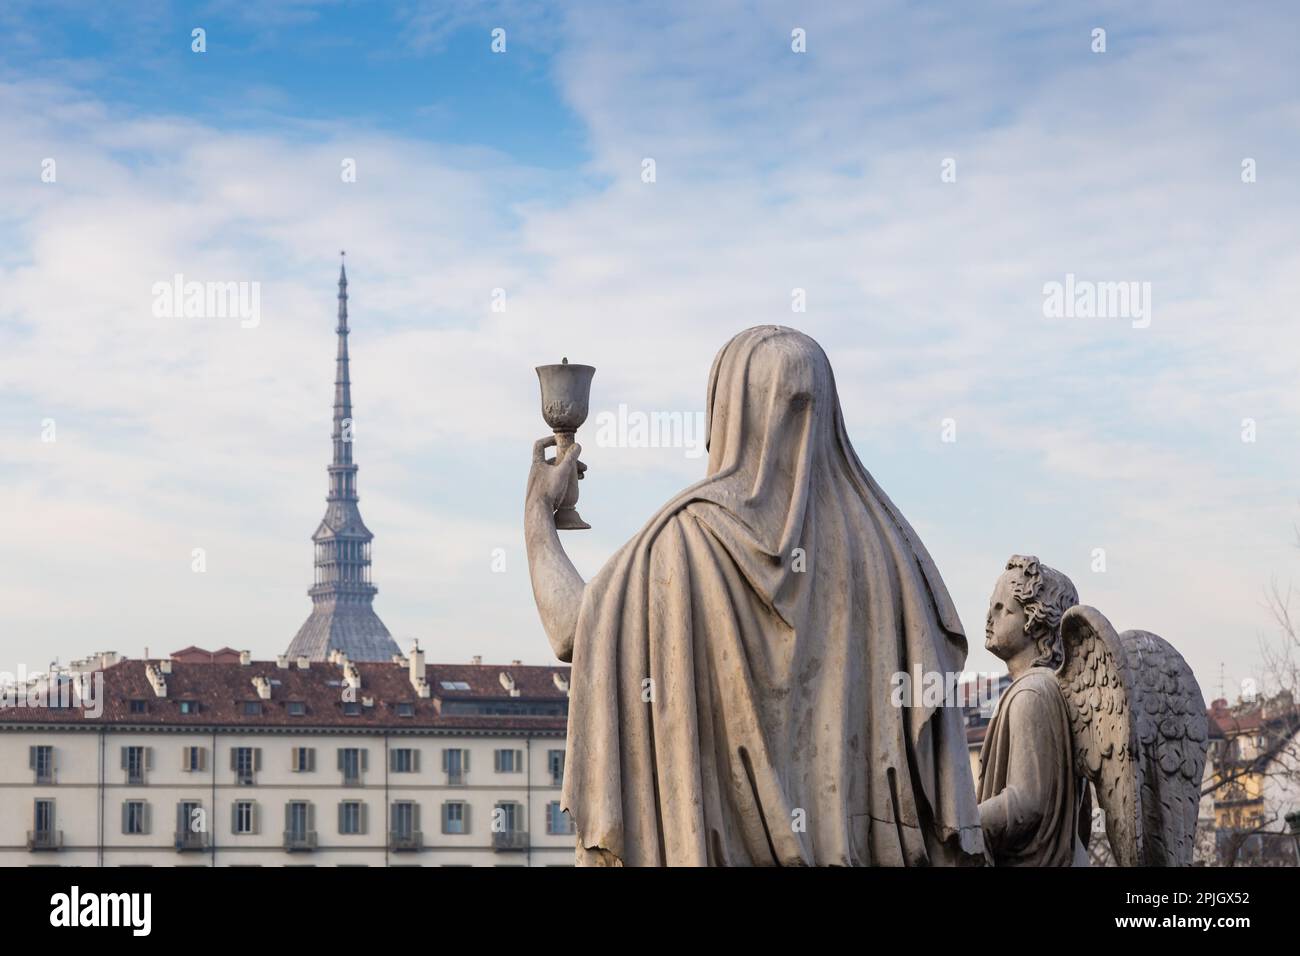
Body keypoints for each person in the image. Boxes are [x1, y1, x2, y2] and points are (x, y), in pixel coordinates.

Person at [525, 325, 985, 866]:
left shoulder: (682, 543)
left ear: (725, 412)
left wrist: (538, 516)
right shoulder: (894, 551)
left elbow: (572, 630)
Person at [977, 555, 1090, 866]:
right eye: (991, 606)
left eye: (1003, 609)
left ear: (1034, 620)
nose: (989, 617)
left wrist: (963, 823)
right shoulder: (1044, 688)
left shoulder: (1032, 693)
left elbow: (1027, 802)